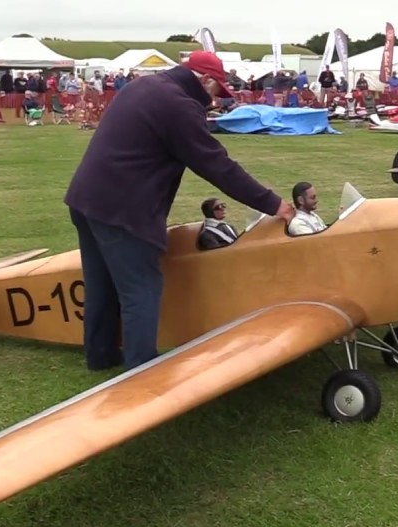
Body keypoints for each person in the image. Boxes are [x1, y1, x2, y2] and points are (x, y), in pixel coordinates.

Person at [63, 51, 293, 371]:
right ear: (205, 80)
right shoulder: (179, 104)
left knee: (101, 285)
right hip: (123, 210)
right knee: (141, 289)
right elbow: (216, 165)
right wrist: (273, 204)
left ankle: (101, 358)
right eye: (216, 90)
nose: (215, 100)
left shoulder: (144, 85)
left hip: (85, 197)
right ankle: (141, 372)